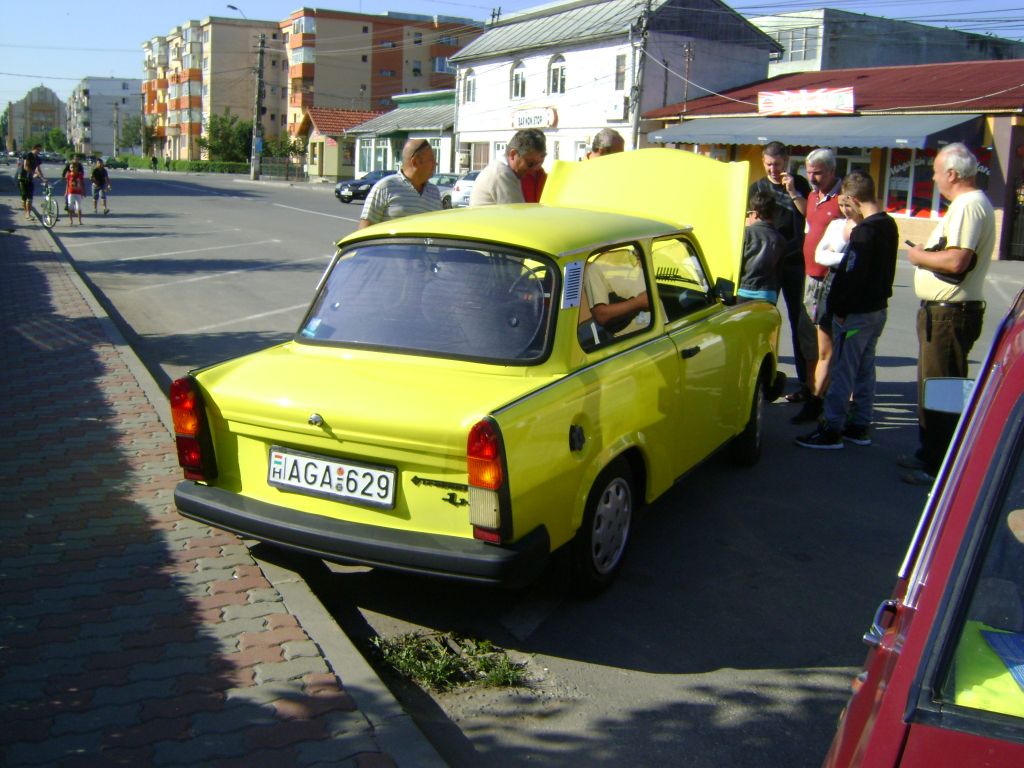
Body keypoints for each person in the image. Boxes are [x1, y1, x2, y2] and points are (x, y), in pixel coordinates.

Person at [901, 143, 995, 484]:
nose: (934, 177)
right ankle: (931, 455)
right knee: (937, 386)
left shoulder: (968, 205)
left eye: (937, 171)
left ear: (953, 174)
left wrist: (919, 257)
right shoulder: (969, 204)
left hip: (950, 313)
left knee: (942, 389)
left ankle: (938, 466)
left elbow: (957, 260)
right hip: (946, 312)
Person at [796, 171, 897, 449]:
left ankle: (832, 428)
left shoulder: (864, 233)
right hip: (877, 309)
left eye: (845, 205)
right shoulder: (888, 225)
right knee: (865, 368)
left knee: (843, 370)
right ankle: (859, 423)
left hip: (856, 313)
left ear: (853, 199)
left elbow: (855, 275)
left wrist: (840, 308)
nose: (845, 211)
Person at [748, 142, 812, 399]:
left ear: (786, 161)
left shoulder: (800, 184)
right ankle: (766, 378)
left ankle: (806, 382)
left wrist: (793, 191)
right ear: (763, 162)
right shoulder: (758, 187)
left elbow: (809, 214)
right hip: (767, 262)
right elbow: (749, 220)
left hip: (795, 260)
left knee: (799, 321)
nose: (773, 169)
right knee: (765, 321)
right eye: (768, 164)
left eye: (778, 164)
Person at [792, 148, 844, 424]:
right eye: (809, 172)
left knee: (827, 344)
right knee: (807, 340)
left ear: (832, 172)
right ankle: (813, 390)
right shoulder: (813, 197)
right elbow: (810, 223)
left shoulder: (843, 200)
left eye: (818, 172)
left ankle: (822, 398)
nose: (812, 177)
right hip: (809, 279)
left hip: (830, 281)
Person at [357, 138, 441, 228]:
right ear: (415, 162)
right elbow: (364, 229)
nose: (435, 164)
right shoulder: (385, 187)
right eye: (431, 160)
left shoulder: (434, 192)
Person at [470, 128, 546, 207]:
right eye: (530, 164)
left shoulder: (501, 169)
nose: (533, 169)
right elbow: (519, 215)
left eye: (538, 164)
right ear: (513, 155)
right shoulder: (502, 174)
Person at [737, 190, 785, 304]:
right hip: (768, 294)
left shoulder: (746, 234)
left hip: (744, 291)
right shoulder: (780, 239)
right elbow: (779, 272)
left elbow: (738, 264)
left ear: (755, 213)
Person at [17, 144, 45, 220]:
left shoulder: (37, 158)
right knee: (24, 197)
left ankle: (28, 214)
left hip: (29, 179)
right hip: (22, 178)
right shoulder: (28, 155)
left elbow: (38, 169)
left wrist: (43, 178)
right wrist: (34, 173)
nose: (39, 152)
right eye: (38, 150)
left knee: (30, 197)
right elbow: (25, 166)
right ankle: (26, 213)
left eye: (40, 150)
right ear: (34, 149)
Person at [64, 160, 86, 225]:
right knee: (70, 206)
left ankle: (79, 221)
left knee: (78, 207)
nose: (72, 169)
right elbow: (67, 184)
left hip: (78, 192)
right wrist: (66, 192)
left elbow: (82, 183)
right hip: (71, 192)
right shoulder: (69, 175)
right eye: (71, 167)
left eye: (73, 167)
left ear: (76, 167)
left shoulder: (79, 174)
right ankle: (71, 220)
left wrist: (83, 191)